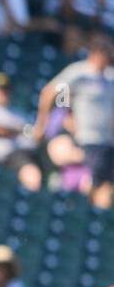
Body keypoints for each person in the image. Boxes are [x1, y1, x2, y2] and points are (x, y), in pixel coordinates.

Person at [34, 38, 114, 210]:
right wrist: (45, 123)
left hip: (107, 140)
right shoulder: (79, 73)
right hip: (86, 138)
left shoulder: (110, 77)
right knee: (92, 181)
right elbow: (51, 93)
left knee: (106, 183)